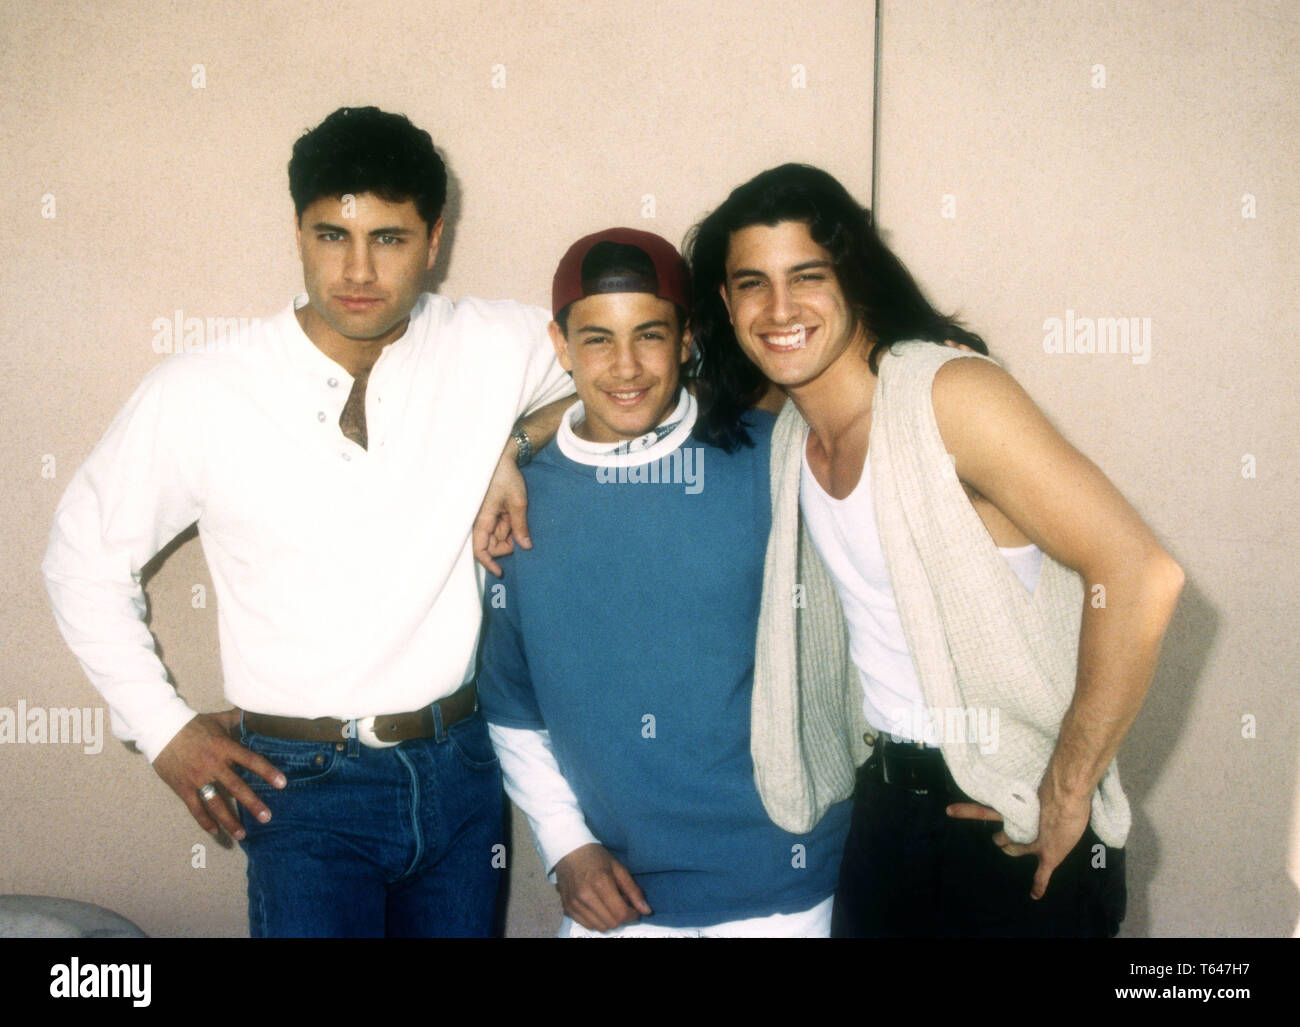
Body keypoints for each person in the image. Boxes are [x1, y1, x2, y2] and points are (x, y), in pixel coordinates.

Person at [41, 106, 574, 937]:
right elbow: (81, 558)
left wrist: (516, 438)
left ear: (435, 238)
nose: (357, 270)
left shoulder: (493, 345)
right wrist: (164, 729)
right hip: (300, 792)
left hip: (464, 768)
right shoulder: (207, 388)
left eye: (389, 239)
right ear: (298, 232)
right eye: (332, 235)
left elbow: (654, 362)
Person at [686, 164, 1185, 937]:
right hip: (885, 815)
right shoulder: (794, 431)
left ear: (853, 276)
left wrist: (1069, 785)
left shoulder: (948, 395)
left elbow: (1142, 574)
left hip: (1008, 818)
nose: (779, 308)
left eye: (807, 276)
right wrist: (521, 442)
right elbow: (632, 385)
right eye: (753, 283)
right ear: (727, 301)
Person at [476, 227, 850, 937]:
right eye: (597, 340)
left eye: (649, 335)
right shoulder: (516, 504)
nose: (625, 366)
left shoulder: (776, 457)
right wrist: (565, 844)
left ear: (687, 339)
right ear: (560, 348)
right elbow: (510, 705)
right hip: (614, 898)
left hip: (788, 888)